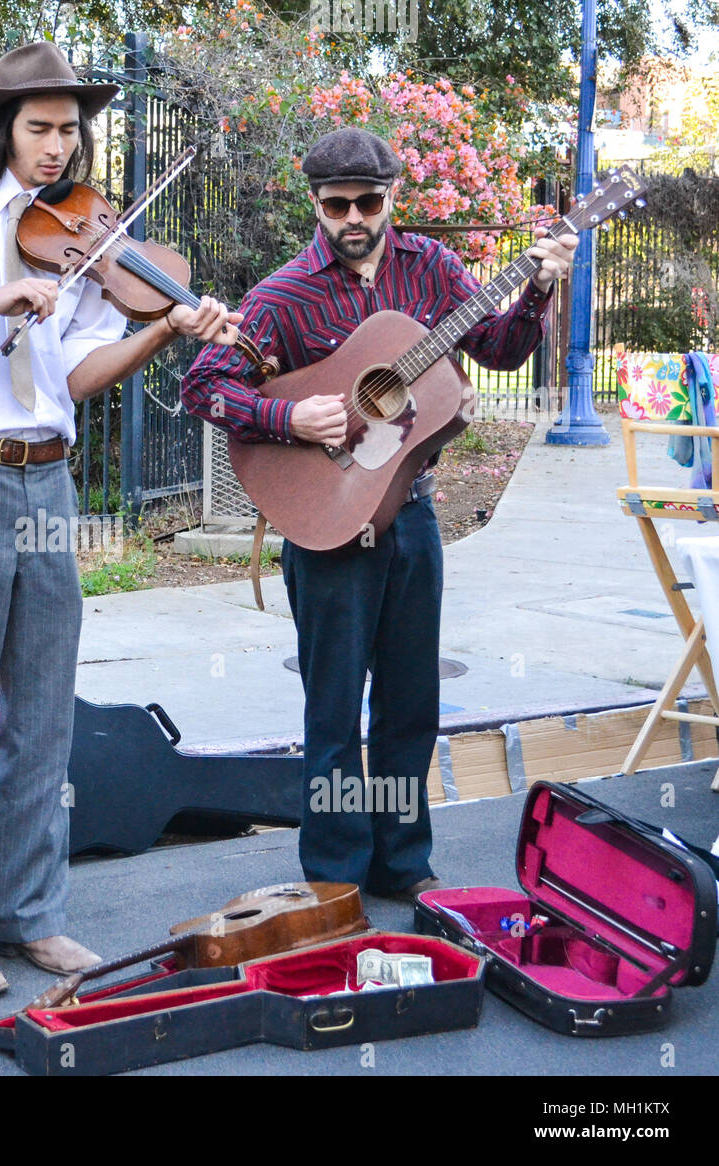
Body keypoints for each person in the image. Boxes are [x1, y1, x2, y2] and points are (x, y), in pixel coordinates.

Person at [0, 42, 241, 995]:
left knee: (42, 708)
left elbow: (73, 379)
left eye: (71, 129)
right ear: (3, 130)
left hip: (48, 482)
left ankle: (31, 913)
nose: (60, 147)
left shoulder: (89, 240)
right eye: (41, 129)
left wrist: (159, 328)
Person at [181, 126, 576, 901]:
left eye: (370, 200)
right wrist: (289, 422)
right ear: (316, 204)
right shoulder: (285, 293)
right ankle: (333, 875)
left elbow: (496, 348)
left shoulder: (431, 269)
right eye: (338, 204)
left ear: (392, 196)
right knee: (333, 712)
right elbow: (205, 385)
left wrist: (537, 286)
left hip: (412, 514)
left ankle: (403, 862)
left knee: (410, 705)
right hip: (326, 524)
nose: (355, 216)